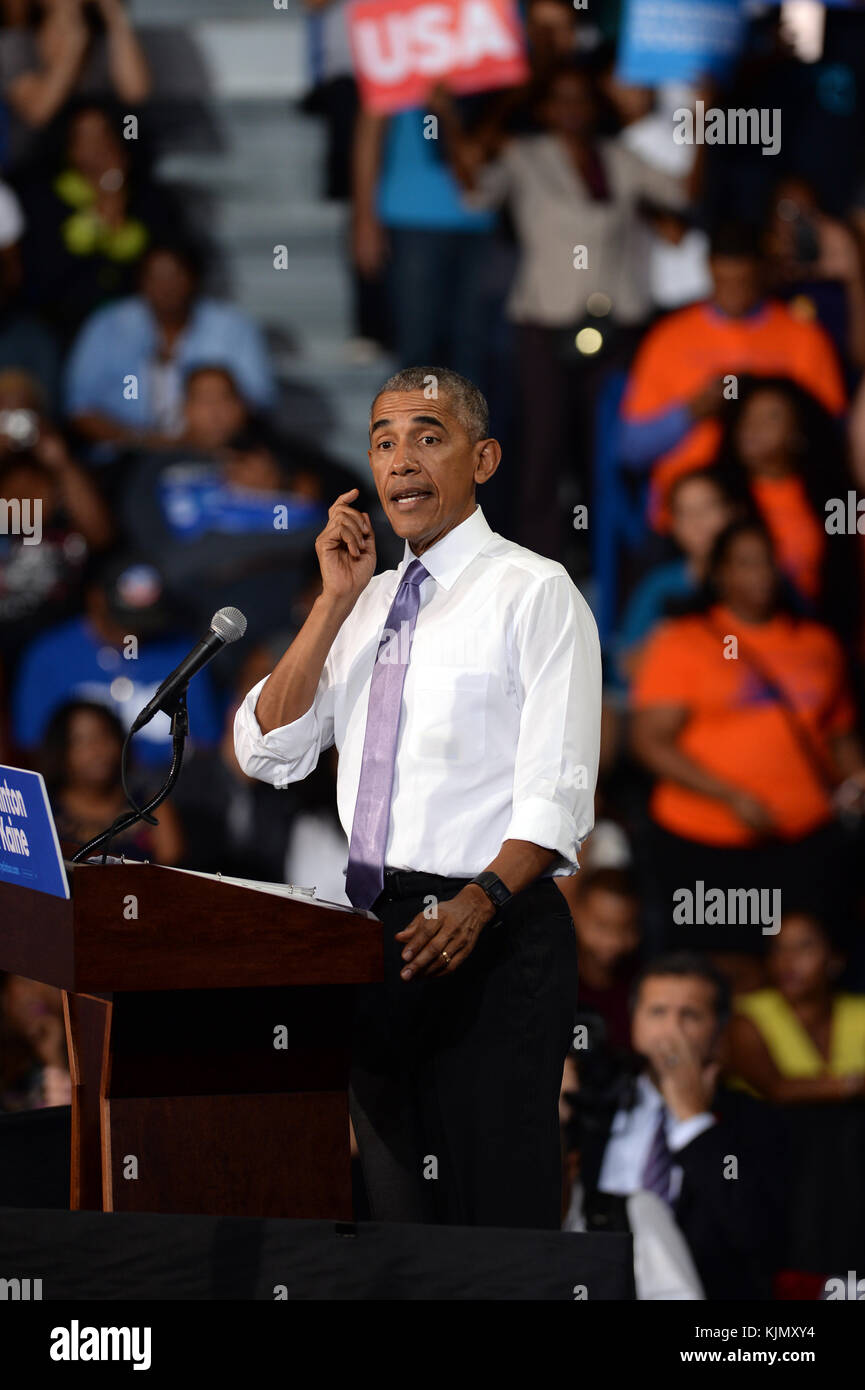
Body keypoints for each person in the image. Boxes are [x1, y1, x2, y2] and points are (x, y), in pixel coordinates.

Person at [234, 364, 602, 1228]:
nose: (400, 460)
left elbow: (557, 794)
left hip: (493, 932)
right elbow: (268, 749)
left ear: (484, 459)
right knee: (401, 1226)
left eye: (427, 437)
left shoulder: (534, 592)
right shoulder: (360, 607)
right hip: (377, 940)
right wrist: (329, 605)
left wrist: (478, 902)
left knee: (496, 1228)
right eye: (383, 440)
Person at [440, 57, 691, 559]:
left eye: (582, 98)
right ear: (546, 109)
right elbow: (474, 191)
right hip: (544, 323)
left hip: (616, 323)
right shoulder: (524, 155)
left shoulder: (620, 157)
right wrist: (447, 117)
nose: (574, 109)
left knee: (607, 451)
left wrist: (706, 119)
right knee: (543, 450)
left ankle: (613, 561)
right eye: (562, 100)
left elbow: (683, 193)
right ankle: (536, 567)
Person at [630, 519, 865, 966]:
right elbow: (650, 741)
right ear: (720, 575)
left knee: (809, 970)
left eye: (767, 562)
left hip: (806, 844)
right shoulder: (684, 642)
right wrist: (730, 796)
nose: (759, 574)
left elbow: (838, 735)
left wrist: (857, 780)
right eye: (745, 563)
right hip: (705, 845)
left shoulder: (819, 644)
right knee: (727, 972)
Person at [572, 953, 787, 1301]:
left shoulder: (756, 1121)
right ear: (634, 1022)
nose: (671, 1029)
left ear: (718, 1030)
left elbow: (760, 1239)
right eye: (657, 1012)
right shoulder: (594, 1100)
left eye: (690, 1015)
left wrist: (693, 1120)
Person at [619, 221, 847, 528]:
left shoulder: (804, 337)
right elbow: (630, 450)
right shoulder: (668, 338)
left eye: (743, 282)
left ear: (761, 272)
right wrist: (693, 410)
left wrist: (772, 419)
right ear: (709, 271)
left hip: (784, 510)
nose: (733, 294)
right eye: (723, 282)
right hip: (687, 516)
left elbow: (832, 440)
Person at [65, 242, 277, 457]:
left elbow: (258, 401)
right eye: (155, 277)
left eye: (175, 275)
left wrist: (207, 428)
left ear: (194, 278)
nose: (166, 287)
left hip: (217, 455)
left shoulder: (233, 326)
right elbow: (81, 408)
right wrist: (144, 441)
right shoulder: (109, 325)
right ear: (140, 281)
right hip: (125, 457)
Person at [11, 557, 223, 767]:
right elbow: (34, 748)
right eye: (125, 620)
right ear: (95, 600)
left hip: (169, 785)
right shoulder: (49, 656)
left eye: (145, 619)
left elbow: (206, 743)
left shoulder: (182, 652)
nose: (135, 630)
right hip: (82, 790)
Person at [712, 375, 863, 642]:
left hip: (824, 636)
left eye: (771, 417)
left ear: (798, 432)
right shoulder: (718, 496)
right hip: (743, 639)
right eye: (746, 415)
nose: (752, 426)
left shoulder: (833, 497)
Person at [615, 466, 738, 683]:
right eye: (686, 513)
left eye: (707, 508)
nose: (698, 523)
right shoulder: (657, 588)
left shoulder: (760, 576)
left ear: (731, 511)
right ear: (673, 525)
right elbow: (626, 668)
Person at [727, 912, 865, 1103]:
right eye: (779, 949)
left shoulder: (859, 1012)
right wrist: (852, 1085)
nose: (788, 960)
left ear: (835, 959)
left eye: (804, 947)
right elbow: (775, 1089)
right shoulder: (747, 1016)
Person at [0, 0, 150, 172]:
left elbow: (136, 94)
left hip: (114, 155)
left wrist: (115, 16)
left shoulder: (105, 38)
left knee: (131, 125)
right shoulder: (15, 43)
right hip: (40, 164)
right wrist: (75, 40)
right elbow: (38, 112)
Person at [41, 698, 183, 863]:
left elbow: (174, 875)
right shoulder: (43, 808)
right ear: (61, 750)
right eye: (81, 740)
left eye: (105, 735)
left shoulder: (152, 805)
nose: (97, 750)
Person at [557, 865, 641, 1053]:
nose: (612, 942)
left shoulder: (641, 985)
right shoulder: (554, 978)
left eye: (625, 929)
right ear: (577, 914)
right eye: (601, 926)